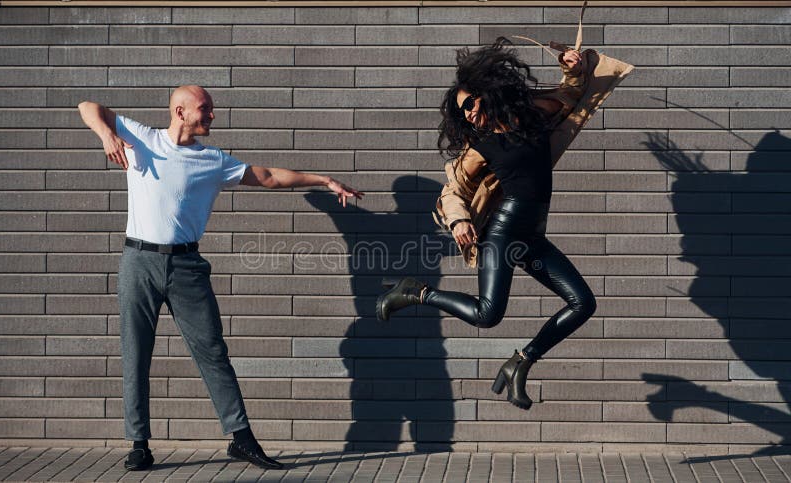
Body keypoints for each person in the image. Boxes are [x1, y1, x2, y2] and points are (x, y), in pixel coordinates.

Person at [78, 85, 363, 471]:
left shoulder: (211, 160)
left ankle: (242, 440)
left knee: (213, 351)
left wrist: (322, 180)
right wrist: (107, 134)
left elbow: (268, 176)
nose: (212, 115)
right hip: (138, 261)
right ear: (180, 112)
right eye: (205, 109)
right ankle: (139, 444)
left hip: (186, 268)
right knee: (136, 354)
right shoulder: (141, 138)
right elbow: (88, 106)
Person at [376, 39, 596, 410]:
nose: (468, 115)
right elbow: (452, 191)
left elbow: (571, 96)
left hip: (532, 236)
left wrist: (572, 67)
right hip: (504, 234)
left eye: (470, 105)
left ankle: (520, 363)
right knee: (487, 315)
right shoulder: (482, 148)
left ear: (488, 93)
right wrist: (460, 220)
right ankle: (416, 292)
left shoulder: (534, 116)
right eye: (462, 112)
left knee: (582, 303)